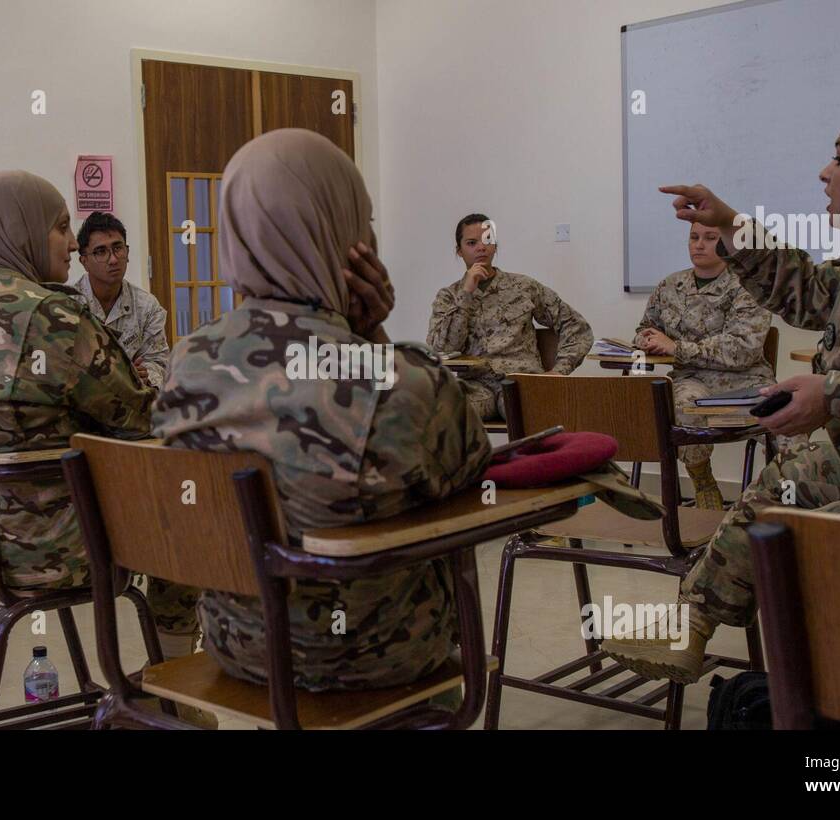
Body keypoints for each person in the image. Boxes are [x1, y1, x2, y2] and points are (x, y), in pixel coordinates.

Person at [604, 98, 840, 682]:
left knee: (782, 531)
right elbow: (809, 294)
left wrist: (832, 393)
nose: (824, 172)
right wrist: (734, 224)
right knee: (771, 491)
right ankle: (695, 625)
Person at [151, 130, 493, 691]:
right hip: (373, 657)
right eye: (365, 220)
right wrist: (375, 335)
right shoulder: (396, 379)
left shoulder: (186, 360)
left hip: (237, 647)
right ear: (341, 234)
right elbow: (471, 470)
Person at [0, 171, 202, 661]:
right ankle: (172, 687)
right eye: (60, 229)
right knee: (190, 515)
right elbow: (141, 418)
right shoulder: (51, 317)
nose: (72, 248)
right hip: (50, 547)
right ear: (22, 233)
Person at [634, 223, 774, 509]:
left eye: (710, 238)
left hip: (746, 382)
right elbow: (645, 327)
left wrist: (677, 347)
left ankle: (783, 499)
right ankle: (703, 484)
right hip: (693, 379)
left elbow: (744, 348)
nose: (699, 245)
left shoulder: (748, 285)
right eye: (694, 237)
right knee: (683, 404)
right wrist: (645, 339)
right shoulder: (669, 286)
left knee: (791, 419)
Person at [426, 214, 592, 420]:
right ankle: (474, 454)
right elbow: (442, 349)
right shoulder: (449, 296)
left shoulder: (523, 287)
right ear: (459, 251)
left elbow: (577, 327)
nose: (481, 247)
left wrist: (559, 371)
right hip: (476, 386)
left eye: (488, 240)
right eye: (471, 243)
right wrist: (466, 294)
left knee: (533, 414)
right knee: (442, 411)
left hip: (522, 382)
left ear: (495, 246)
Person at [71, 212, 170, 390]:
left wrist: (144, 375)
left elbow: (159, 362)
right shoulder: (68, 304)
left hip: (132, 404)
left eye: (118, 248)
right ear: (84, 261)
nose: (113, 259)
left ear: (127, 252)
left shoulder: (147, 306)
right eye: (101, 252)